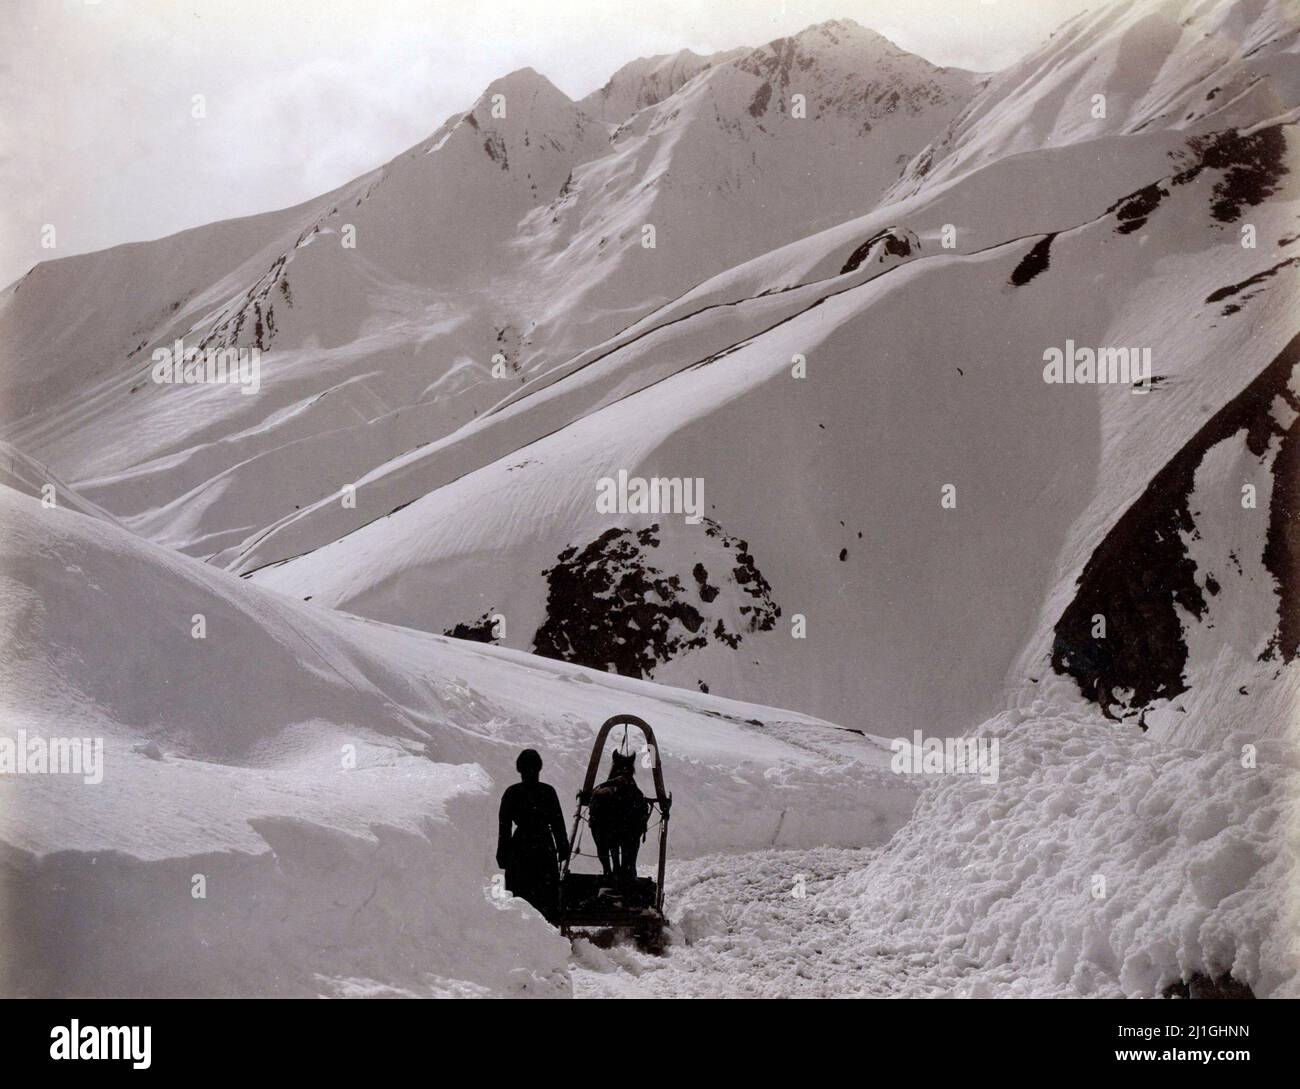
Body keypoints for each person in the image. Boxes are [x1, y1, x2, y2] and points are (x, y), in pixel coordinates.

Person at [496, 749, 569, 919]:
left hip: (520, 849)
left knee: (520, 895)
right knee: (546, 897)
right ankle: (548, 932)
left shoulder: (511, 793)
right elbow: (558, 823)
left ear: (519, 769)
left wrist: (503, 854)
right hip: (545, 848)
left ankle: (523, 931)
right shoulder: (548, 792)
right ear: (539, 768)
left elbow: (504, 827)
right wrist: (563, 848)